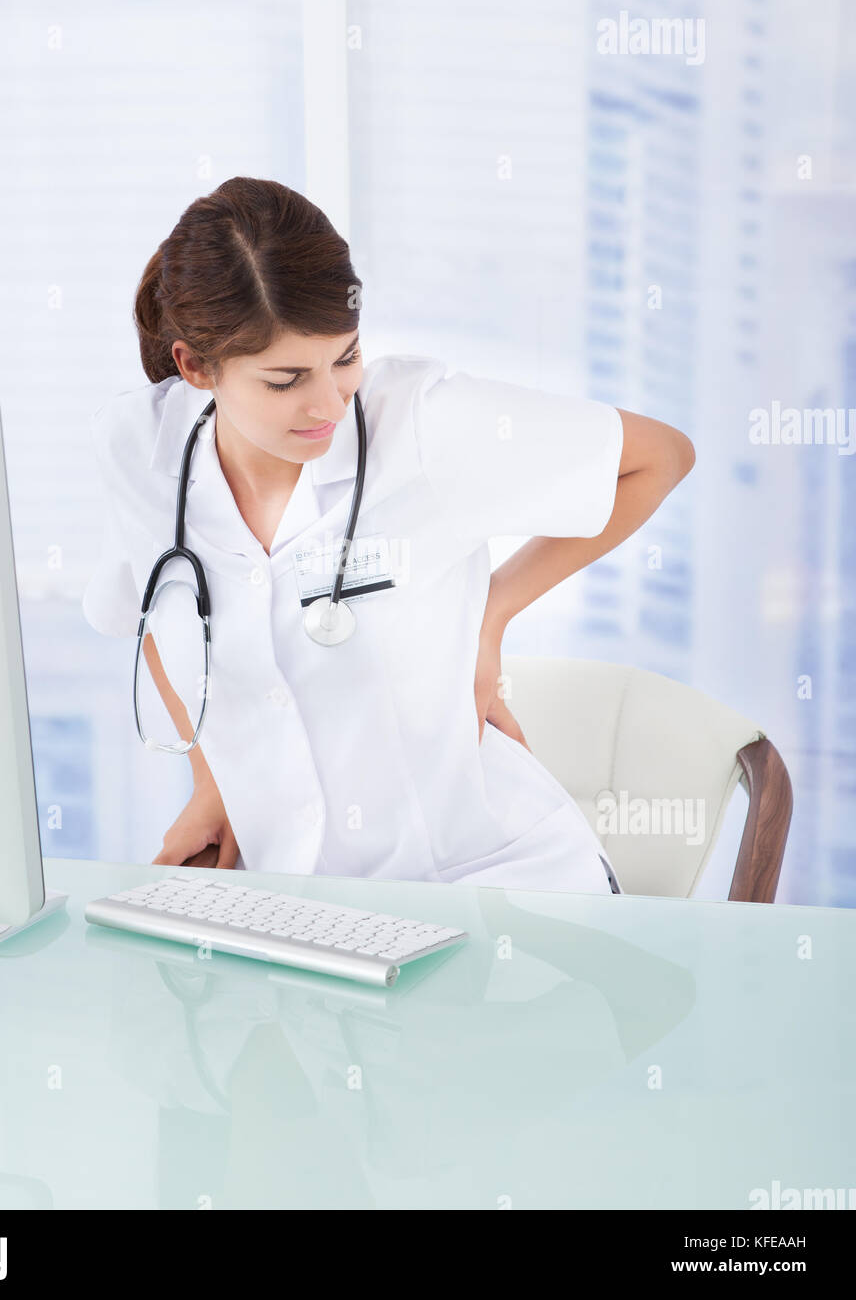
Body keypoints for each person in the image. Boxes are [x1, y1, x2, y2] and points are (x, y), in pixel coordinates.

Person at [82, 176, 694, 894]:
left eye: (345, 357)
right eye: (285, 380)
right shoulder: (141, 446)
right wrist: (213, 785)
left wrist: (490, 615)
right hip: (302, 899)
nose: (327, 403)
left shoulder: (422, 427)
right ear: (195, 366)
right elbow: (157, 610)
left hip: (495, 885)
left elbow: (660, 457)